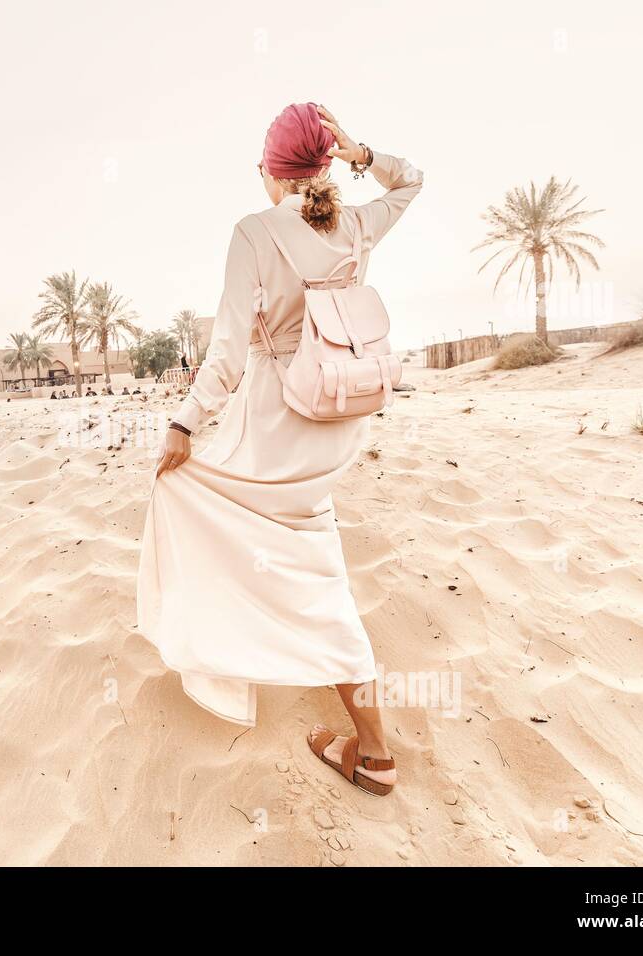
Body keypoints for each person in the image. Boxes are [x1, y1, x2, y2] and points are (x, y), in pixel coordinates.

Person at [136, 103, 422, 797]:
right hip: (337, 419)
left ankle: (374, 749)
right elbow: (410, 181)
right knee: (306, 547)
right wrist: (363, 155)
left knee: (206, 511)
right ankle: (357, 727)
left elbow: (228, 353)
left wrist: (184, 423)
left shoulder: (254, 232)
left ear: (269, 170)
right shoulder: (355, 223)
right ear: (326, 166)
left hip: (275, 421)